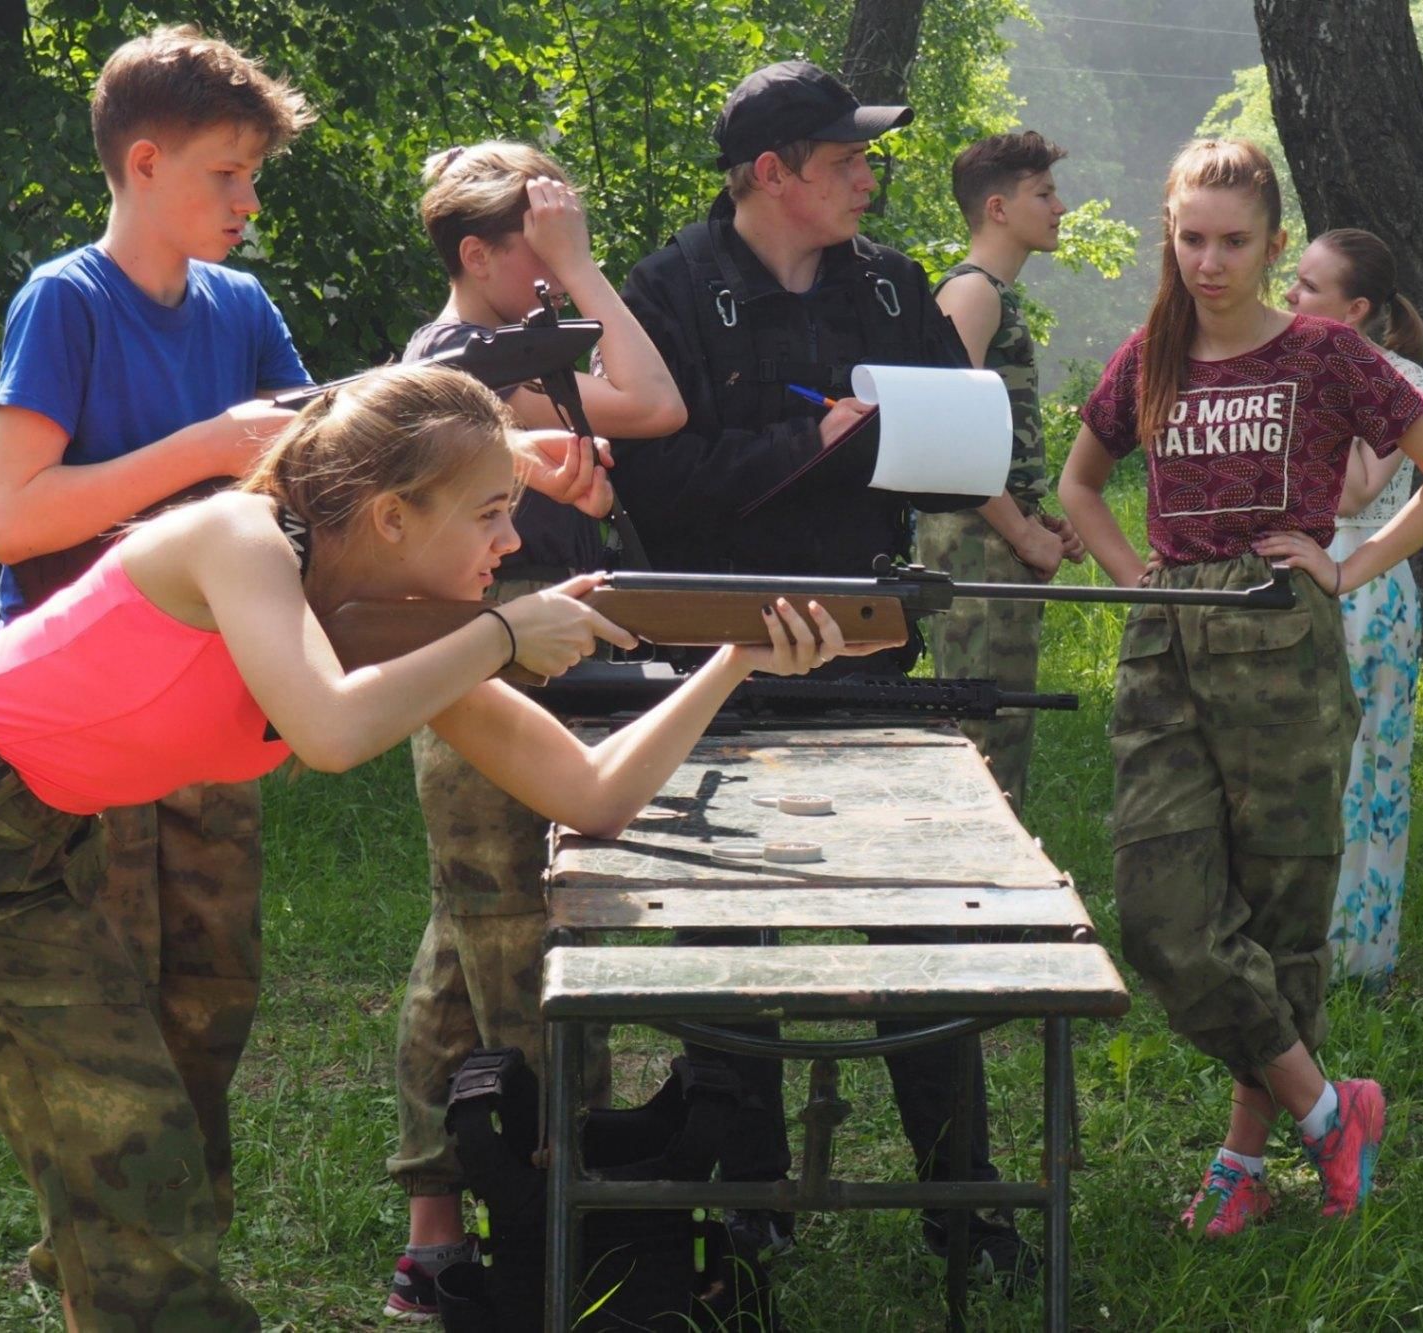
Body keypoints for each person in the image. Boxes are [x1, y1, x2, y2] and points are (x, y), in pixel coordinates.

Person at [0, 362, 870, 1331]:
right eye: (489, 512)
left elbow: (591, 792)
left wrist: (732, 660)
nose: (512, 539)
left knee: (134, 1137)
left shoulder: (401, 636)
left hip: (24, 848)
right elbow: (328, 731)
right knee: (132, 1141)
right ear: (393, 517)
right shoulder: (237, 536)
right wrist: (501, 633)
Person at [611, 60, 1034, 1282]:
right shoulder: (668, 291)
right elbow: (658, 489)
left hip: (866, 636)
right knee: (727, 931)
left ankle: (967, 1207)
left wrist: (895, 441)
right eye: (844, 160)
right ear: (769, 176)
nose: (868, 176)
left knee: (913, 924)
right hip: (715, 650)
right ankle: (743, 1201)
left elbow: (961, 454)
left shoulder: (892, 285)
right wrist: (813, 441)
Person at [1056, 139, 1423, 1239]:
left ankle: (1243, 1160)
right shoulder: (1147, 354)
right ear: (1168, 232)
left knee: (1281, 921)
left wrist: (1345, 563)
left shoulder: (1323, 353)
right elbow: (1078, 484)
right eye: (1188, 237)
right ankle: (1330, 1108)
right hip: (1167, 648)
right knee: (1160, 916)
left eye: (1232, 241)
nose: (1207, 261)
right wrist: (1135, 581)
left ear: (1272, 244)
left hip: (1281, 641)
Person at [0, 25, 315, 1288]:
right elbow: (16, 519)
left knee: (214, 994)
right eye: (227, 174)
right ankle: (103, 1258)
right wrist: (204, 448)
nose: (246, 200)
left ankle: (185, 1243)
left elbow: (312, 461)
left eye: (253, 177)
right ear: (143, 159)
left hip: (212, 703)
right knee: (107, 1013)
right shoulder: (64, 299)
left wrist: (502, 452)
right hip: (84, 722)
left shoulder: (241, 307)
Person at [382, 141, 687, 1321]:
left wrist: (572, 271)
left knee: (465, 940)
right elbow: (654, 404)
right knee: (515, 941)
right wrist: (591, 269)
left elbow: (640, 420)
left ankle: (438, 1227)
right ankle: (562, 1205)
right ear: (478, 255)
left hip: (529, 657)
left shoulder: (515, 358)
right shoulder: (458, 363)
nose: (556, 265)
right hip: (482, 660)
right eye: (535, 244)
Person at [1286, 227, 1423, 989]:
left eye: (1308, 287)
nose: (1289, 295)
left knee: (1368, 764)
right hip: (1291, 576)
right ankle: (1291, 943)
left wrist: (1333, 386)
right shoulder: (1284, 368)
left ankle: (1358, 956)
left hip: (1367, 584)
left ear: (1355, 309)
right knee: (1295, 763)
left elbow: (1354, 493)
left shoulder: (1404, 381)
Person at [916, 130, 1086, 814]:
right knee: (984, 736)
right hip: (975, 547)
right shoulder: (973, 294)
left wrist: (1032, 517)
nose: (1060, 207)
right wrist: (1021, 534)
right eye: (1043, 194)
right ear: (997, 208)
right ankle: (973, 909)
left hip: (990, 537)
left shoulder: (991, 294)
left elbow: (986, 437)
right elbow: (946, 435)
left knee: (1004, 728)